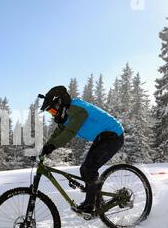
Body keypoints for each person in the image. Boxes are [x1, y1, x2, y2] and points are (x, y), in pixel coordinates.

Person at [38, 85, 125, 214]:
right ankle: (97, 202)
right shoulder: (66, 116)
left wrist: (53, 146)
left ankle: (91, 204)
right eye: (50, 113)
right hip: (102, 138)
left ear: (59, 103)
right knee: (86, 170)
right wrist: (45, 148)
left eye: (52, 110)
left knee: (88, 168)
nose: (53, 114)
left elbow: (70, 131)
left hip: (113, 135)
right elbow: (57, 133)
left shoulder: (77, 109)